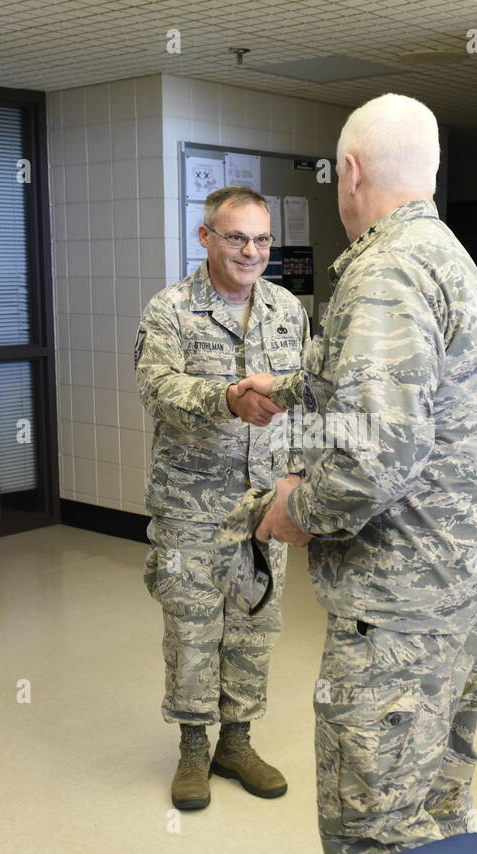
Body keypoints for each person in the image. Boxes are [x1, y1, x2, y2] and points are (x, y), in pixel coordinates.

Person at [252, 93, 477, 854]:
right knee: (438, 799)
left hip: (400, 604)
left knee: (374, 832)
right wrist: (293, 386)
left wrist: (297, 507)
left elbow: (374, 458)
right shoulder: (444, 253)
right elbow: (400, 389)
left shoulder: (384, 270)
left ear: (350, 170)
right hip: (457, 584)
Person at [135, 185, 309, 811]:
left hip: (266, 502)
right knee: (193, 627)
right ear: (206, 237)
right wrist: (226, 397)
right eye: (237, 237)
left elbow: (302, 402)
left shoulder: (288, 309)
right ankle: (191, 747)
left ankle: (236, 742)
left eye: (262, 239)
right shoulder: (171, 310)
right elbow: (156, 387)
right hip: (190, 503)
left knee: (254, 625)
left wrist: (296, 480)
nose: (251, 250)